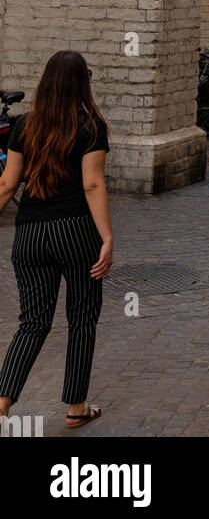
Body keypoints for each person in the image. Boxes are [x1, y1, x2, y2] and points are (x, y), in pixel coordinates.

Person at [0, 51, 112, 431]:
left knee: (32, 321)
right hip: (75, 231)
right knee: (82, 318)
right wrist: (107, 238)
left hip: (30, 233)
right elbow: (93, 185)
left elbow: (6, 184)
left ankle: (2, 402)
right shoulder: (91, 126)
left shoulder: (24, 125)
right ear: (83, 83)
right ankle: (76, 407)